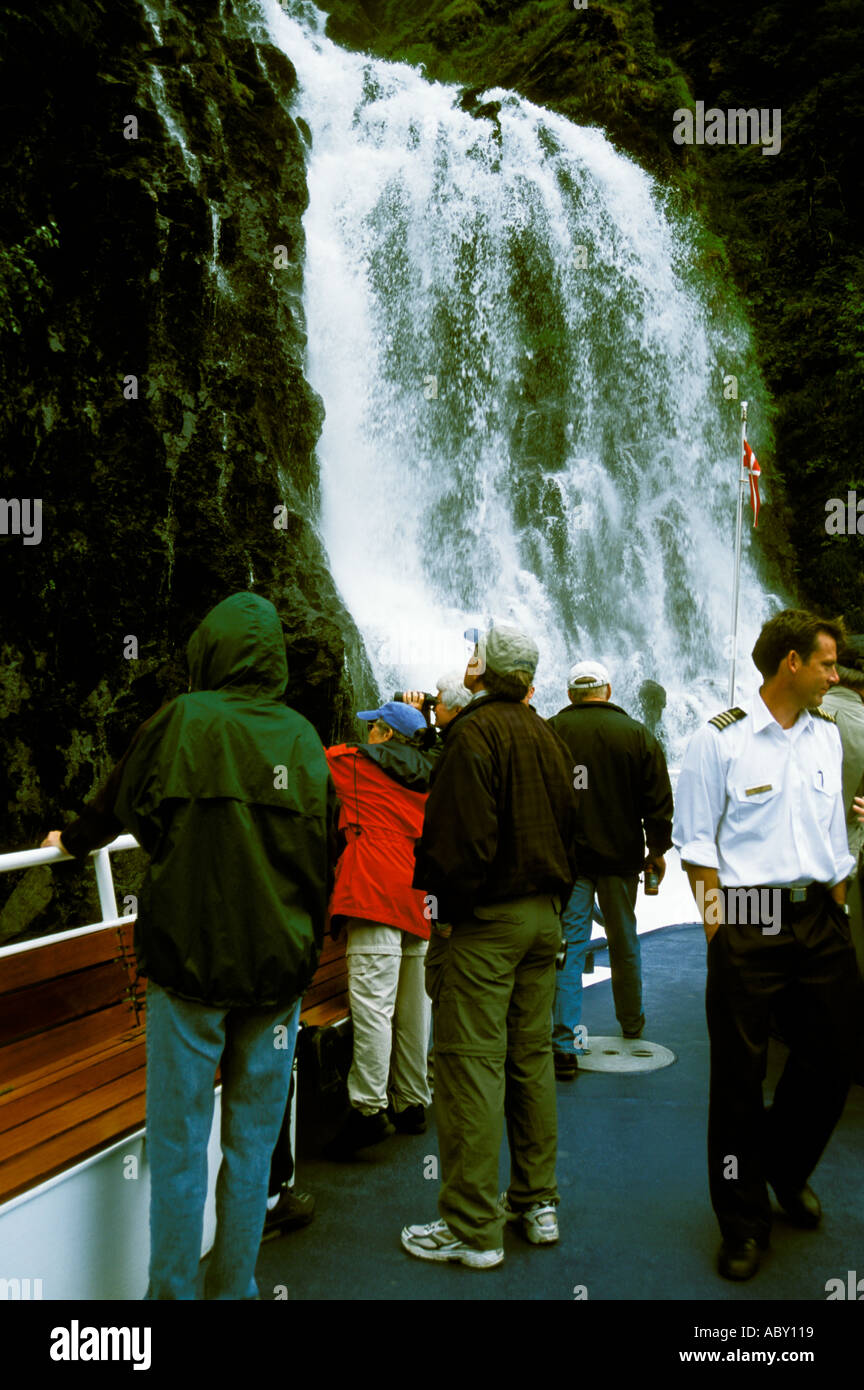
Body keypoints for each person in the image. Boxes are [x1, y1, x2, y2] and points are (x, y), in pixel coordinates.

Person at [42, 592, 336, 1299]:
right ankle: (232, 1290)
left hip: (189, 971)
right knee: (250, 1149)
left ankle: (169, 1296)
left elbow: (119, 801)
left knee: (177, 1150)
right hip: (276, 979)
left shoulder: (182, 722)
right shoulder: (302, 740)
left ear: (212, 650)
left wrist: (73, 841)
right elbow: (323, 856)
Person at [673, 609, 859, 1282]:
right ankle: (743, 1222)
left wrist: (835, 904)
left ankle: (782, 1166)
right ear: (790, 662)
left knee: (836, 1057)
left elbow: (832, 832)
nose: (835, 677)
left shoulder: (829, 736)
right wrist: (720, 932)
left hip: (818, 915)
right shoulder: (718, 740)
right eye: (827, 665)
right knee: (739, 1082)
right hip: (747, 918)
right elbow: (696, 848)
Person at [400, 624, 578, 1268]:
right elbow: (570, 832)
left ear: (482, 674)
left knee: (470, 1064)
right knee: (528, 1059)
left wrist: (443, 916)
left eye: (474, 655)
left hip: (487, 924)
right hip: (543, 920)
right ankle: (537, 1204)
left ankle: (473, 1229)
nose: (466, 661)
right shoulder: (548, 735)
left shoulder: (471, 734)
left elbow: (458, 841)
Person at [547, 660, 673, 1077]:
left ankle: (563, 1043)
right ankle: (632, 1024)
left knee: (569, 947)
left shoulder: (551, 732)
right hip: (620, 858)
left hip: (569, 861)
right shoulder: (637, 734)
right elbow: (659, 801)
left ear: (570, 694)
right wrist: (656, 849)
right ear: (609, 690)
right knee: (624, 939)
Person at [324, 700, 436, 1153]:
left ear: (387, 735)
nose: (366, 733)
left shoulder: (354, 766)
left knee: (373, 1006)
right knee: (413, 1008)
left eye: (374, 728)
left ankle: (368, 1109)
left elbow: (323, 758)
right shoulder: (435, 773)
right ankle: (411, 1101)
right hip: (418, 893)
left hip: (374, 890)